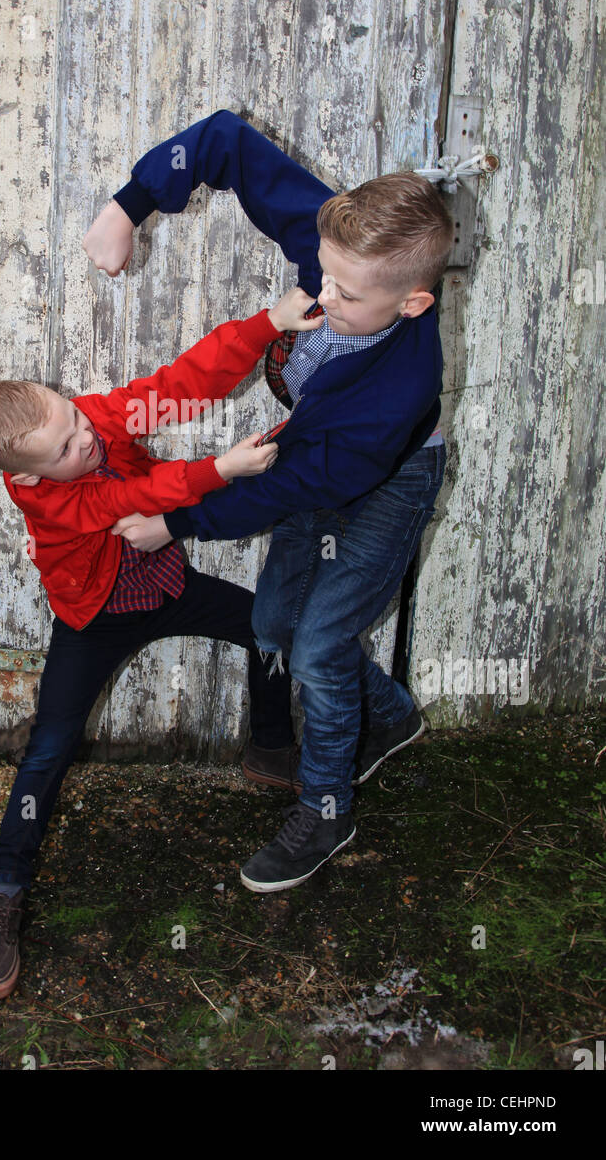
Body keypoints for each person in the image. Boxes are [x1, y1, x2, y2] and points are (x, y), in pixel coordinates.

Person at [83, 109, 451, 893]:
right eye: (319, 270)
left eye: (345, 296)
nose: (321, 294)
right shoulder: (341, 250)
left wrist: (178, 519)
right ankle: (389, 716)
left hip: (387, 475)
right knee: (271, 624)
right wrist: (127, 207)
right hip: (318, 452)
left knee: (317, 645)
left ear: (413, 303)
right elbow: (221, 140)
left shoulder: (396, 390)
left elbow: (291, 487)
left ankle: (325, 810)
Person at [0, 284, 315, 998]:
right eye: (66, 445)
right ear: (29, 474)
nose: (85, 437)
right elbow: (123, 501)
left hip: (164, 584)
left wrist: (265, 325)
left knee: (269, 631)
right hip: (96, 617)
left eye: (74, 417)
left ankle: (271, 748)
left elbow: (180, 385)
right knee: (48, 749)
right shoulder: (49, 496)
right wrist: (220, 470)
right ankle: (2, 891)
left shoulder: (92, 419)